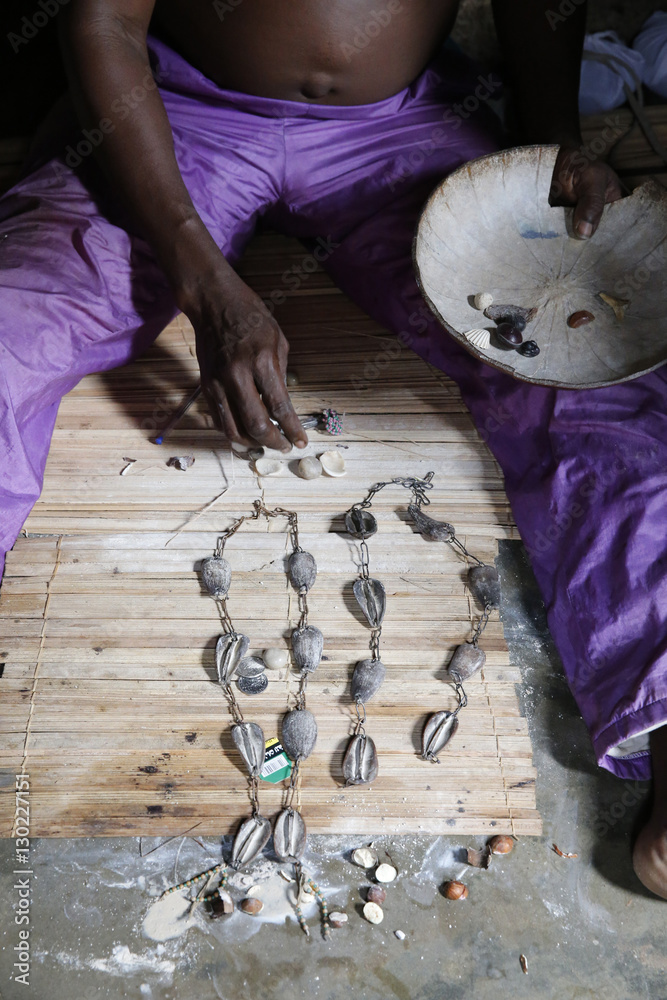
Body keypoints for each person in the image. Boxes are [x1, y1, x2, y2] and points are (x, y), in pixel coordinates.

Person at [0, 0, 665, 899]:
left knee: (592, 389)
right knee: (15, 326)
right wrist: (204, 282)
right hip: (176, 117)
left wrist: (549, 137)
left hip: (401, 132)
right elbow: (105, 23)